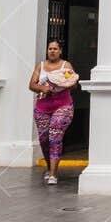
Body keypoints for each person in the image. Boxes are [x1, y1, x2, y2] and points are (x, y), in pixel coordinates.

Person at [30, 40, 78, 185]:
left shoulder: (66, 66)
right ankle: (49, 167)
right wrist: (42, 88)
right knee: (44, 139)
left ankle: (53, 174)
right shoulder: (41, 66)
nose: (52, 51)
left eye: (55, 49)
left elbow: (74, 85)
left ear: (60, 51)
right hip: (42, 107)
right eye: (50, 48)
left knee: (55, 136)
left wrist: (66, 82)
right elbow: (31, 84)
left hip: (63, 106)